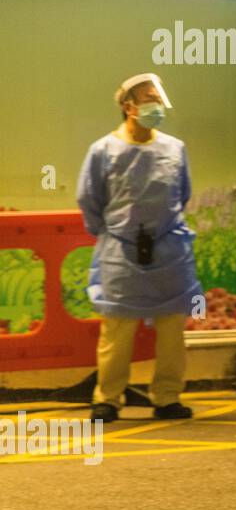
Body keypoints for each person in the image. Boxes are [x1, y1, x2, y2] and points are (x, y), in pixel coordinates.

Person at [76, 74, 200, 423]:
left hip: (169, 249)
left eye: (158, 99)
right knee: (117, 328)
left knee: (172, 328)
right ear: (128, 106)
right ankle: (108, 398)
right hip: (121, 250)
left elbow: (183, 193)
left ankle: (167, 397)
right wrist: (112, 235)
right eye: (148, 99)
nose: (156, 106)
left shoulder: (174, 148)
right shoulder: (103, 151)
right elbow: (89, 199)